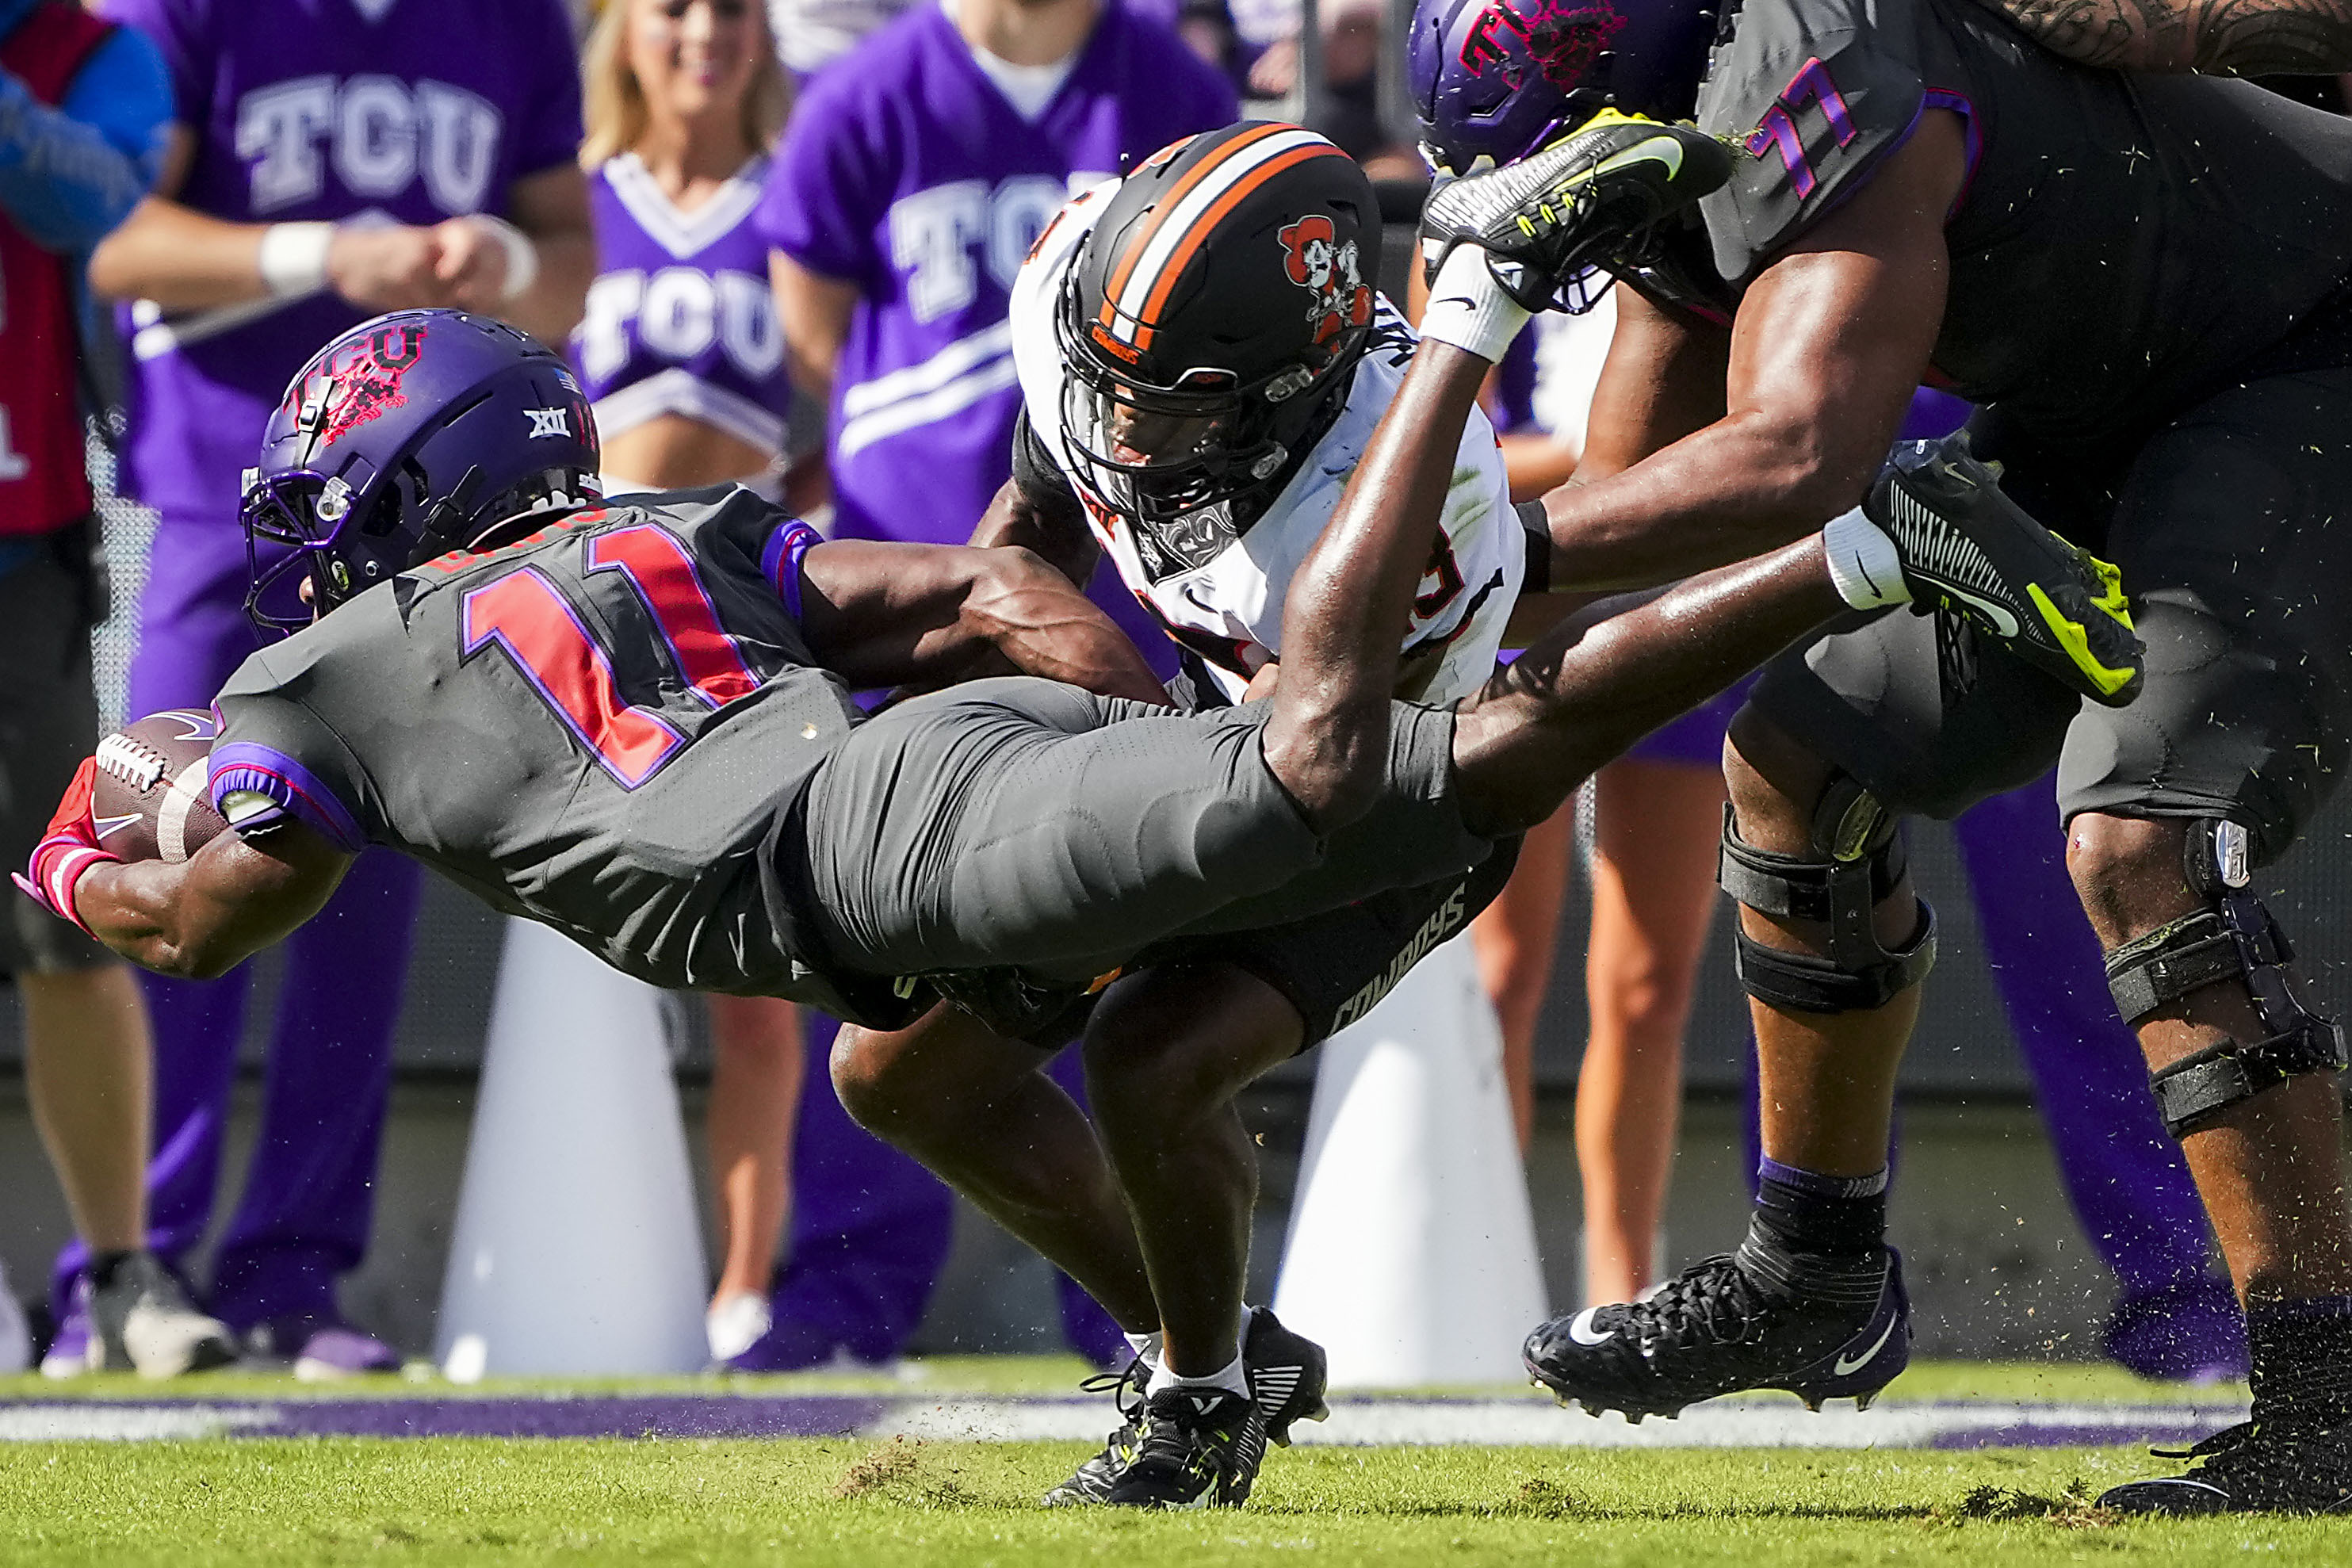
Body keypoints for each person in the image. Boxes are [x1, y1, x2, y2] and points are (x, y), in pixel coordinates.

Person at [16, 145, 2123, 1486]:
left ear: (387, 508)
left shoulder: (331, 666)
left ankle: (1848, 544)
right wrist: (1118, 754)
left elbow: (202, 925)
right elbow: (968, 585)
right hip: (943, 813)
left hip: (892, 836)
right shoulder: (657, 527)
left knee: (1316, 768)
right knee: (913, 1075)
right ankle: (1214, 1371)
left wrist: (63, 852)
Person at [1412, 0, 2352, 1512]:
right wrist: (1338, 630)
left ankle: (2330, 1396)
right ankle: (1814, 1272)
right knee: (1797, 756)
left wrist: (1459, 569)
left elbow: (1798, 458)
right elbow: (1627, 495)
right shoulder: (1678, 134)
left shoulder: (1810, 55)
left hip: (2303, 352)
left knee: (2142, 836)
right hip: (2114, 407)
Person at [75, 0, 593, 1378]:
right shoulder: (187, 12)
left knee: (362, 898)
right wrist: (320, 250)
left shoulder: (514, 21)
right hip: (221, 500)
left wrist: (509, 266)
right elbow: (117, 240)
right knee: (171, 843)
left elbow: (569, 270)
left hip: (421, 542)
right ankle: (131, 1265)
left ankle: (296, 1272)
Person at [755, 0, 1239, 1367]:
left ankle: (1145, 1312)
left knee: (1126, 943)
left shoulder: (1164, 78)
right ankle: (845, 1290)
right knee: (872, 946)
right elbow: (814, 336)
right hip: (916, 605)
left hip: (1121, 591)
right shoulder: (868, 96)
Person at [576, 0, 820, 1370]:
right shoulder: (574, 206)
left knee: (754, 962)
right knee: (576, 951)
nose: (703, 33)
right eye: (672, 6)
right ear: (621, 31)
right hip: (586, 611)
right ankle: (584, 1264)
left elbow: (840, 390)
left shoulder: (791, 196)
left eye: (731, 8)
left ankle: (744, 1288)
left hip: (733, 614)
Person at [0, 0, 234, 1378]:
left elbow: (95, 208)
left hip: (24, 543)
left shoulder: (99, 51)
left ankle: (121, 1273)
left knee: (62, 921)